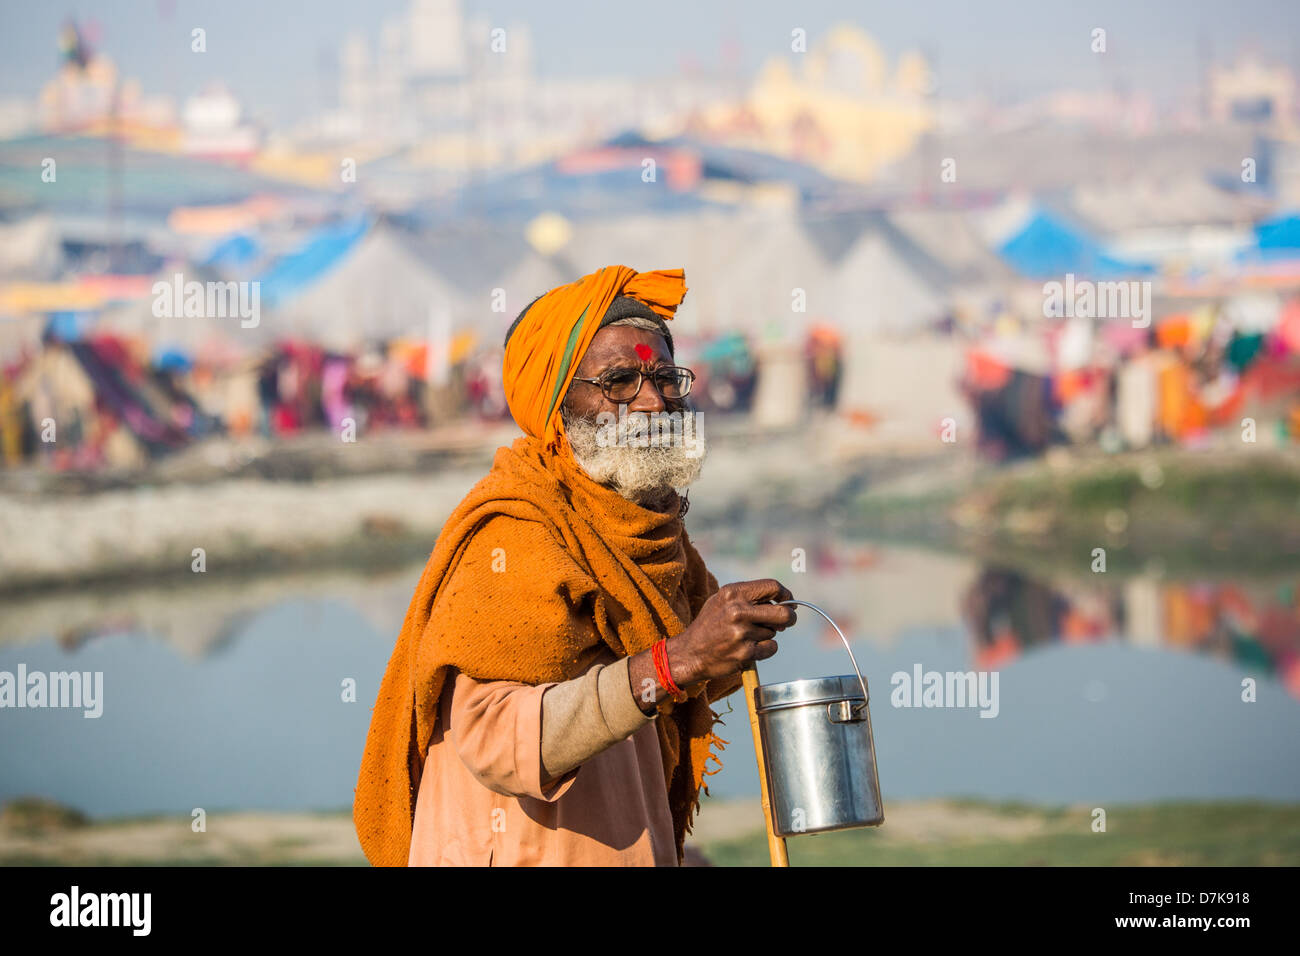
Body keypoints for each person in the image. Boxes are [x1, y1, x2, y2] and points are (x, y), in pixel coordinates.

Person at [354, 265, 796, 866]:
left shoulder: (644, 530)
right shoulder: (517, 533)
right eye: (619, 381)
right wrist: (682, 660)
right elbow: (493, 738)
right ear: (557, 404)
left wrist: (723, 639)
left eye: (666, 377)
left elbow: (673, 682)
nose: (653, 400)